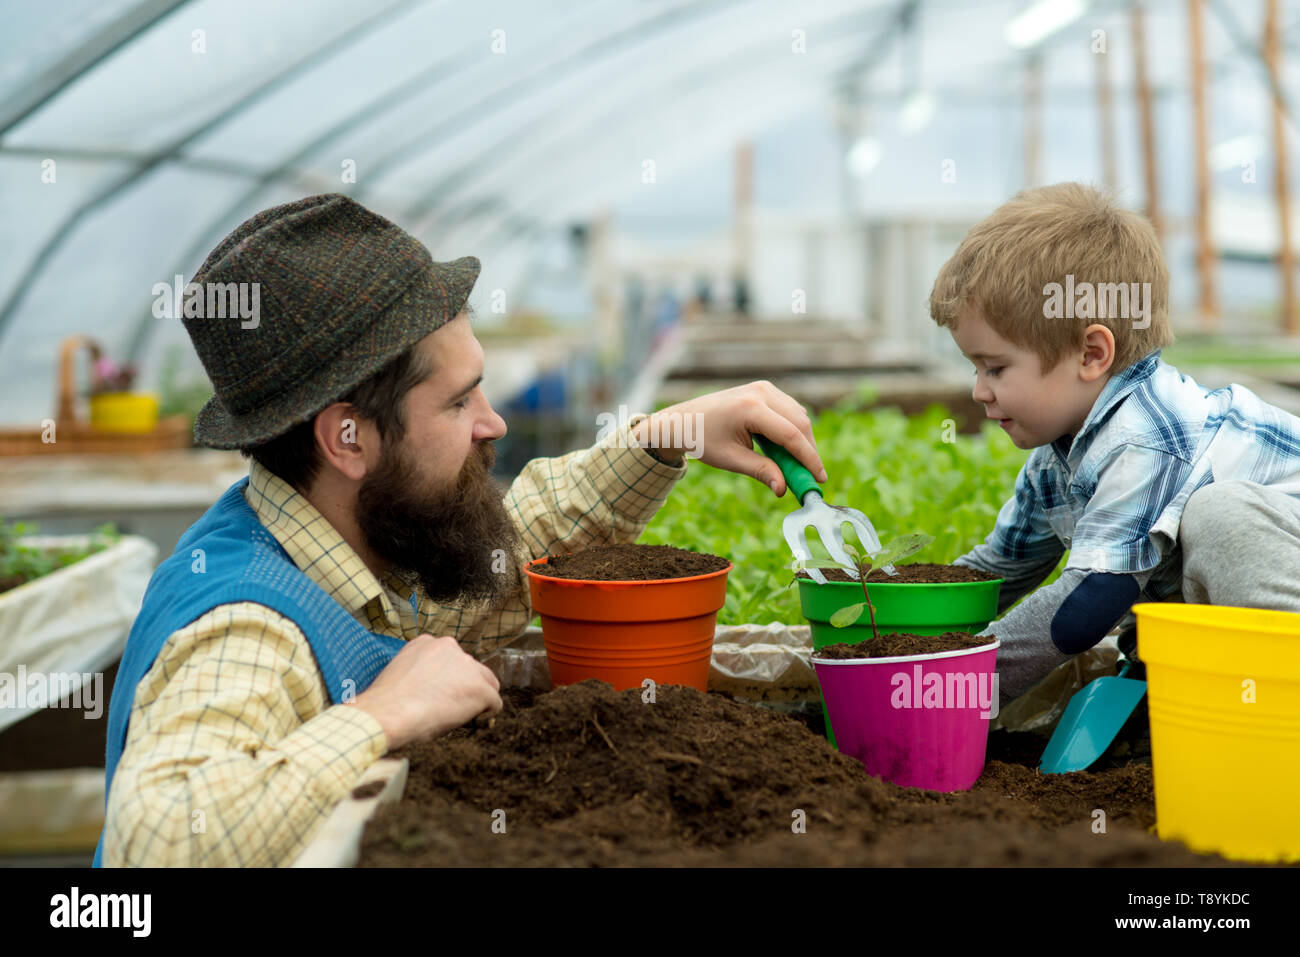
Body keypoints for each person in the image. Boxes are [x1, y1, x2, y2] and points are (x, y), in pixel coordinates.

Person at [95, 194, 826, 866]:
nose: (494, 422)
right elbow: (157, 835)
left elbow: (504, 553)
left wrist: (664, 439)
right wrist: (384, 713)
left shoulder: (351, 542)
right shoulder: (245, 630)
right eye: (458, 400)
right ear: (347, 439)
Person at [931, 182, 1300, 708]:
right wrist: (892, 618)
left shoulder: (1147, 436)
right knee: (1150, 612)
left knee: (1221, 517)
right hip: (1238, 652)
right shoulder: (1056, 458)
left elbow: (1086, 606)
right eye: (974, 367)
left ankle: (1279, 706)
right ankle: (1202, 698)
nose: (978, 390)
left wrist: (951, 692)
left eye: (996, 367)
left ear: (1091, 353)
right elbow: (1000, 572)